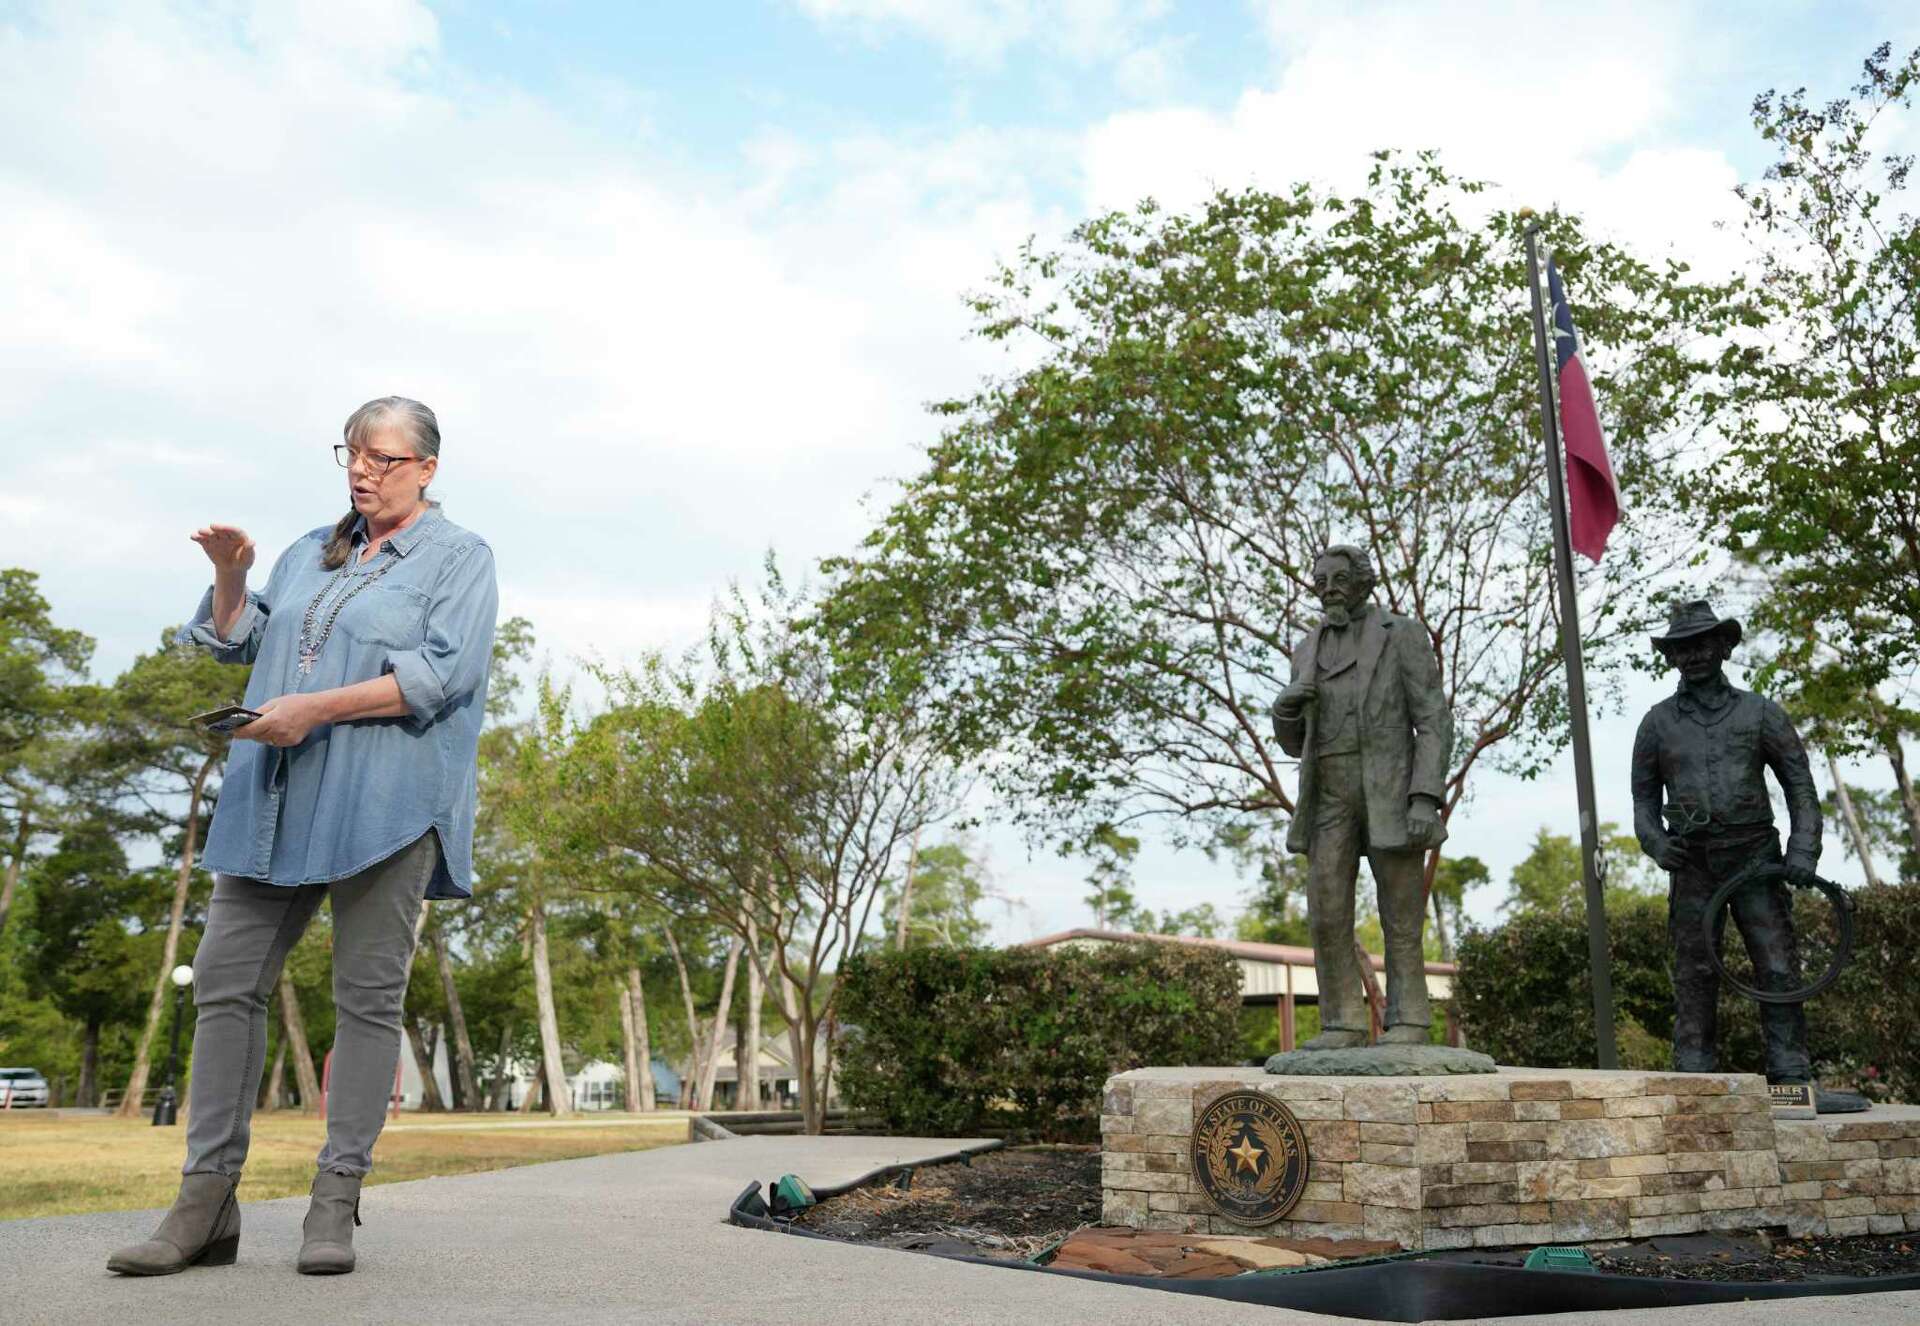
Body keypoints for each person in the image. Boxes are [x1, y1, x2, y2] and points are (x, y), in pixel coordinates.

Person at [109, 396, 497, 1277]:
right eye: (353, 455)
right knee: (223, 982)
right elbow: (234, 640)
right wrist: (232, 575)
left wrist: (313, 709)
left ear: (428, 469)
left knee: (365, 999)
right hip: (272, 797)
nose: (363, 471)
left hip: (384, 803)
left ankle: (335, 1201)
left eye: (385, 459)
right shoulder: (306, 551)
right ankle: (204, 1206)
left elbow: (443, 675)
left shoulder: (461, 558)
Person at [1630, 599, 1819, 1084]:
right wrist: (1656, 844)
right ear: (1671, 658)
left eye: (1701, 645)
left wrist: (1802, 851)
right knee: (1694, 973)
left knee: (1777, 965)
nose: (1693, 656)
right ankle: (1694, 1075)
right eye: (1682, 649)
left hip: (1756, 859)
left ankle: (1791, 1073)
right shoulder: (1656, 723)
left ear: (1722, 647)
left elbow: (1800, 786)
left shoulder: (1761, 713)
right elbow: (1643, 802)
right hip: (1693, 863)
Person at [1270, 544, 1452, 1049]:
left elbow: (1433, 720)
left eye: (1338, 577)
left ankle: (1410, 1019)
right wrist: (1284, 710)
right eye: (1320, 578)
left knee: (1401, 913)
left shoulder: (1402, 635)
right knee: (1326, 909)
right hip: (1328, 793)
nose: (1328, 586)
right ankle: (1342, 1023)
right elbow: (1294, 741)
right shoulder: (1305, 650)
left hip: (1391, 790)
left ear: (1364, 582)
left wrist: (1425, 796)